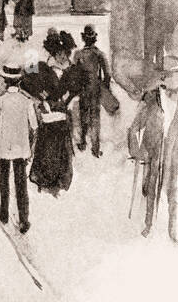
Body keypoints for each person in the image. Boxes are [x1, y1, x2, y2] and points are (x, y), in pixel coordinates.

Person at [128, 56, 178, 242]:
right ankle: (148, 225)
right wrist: (135, 148)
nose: (171, 79)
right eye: (166, 75)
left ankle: (172, 231)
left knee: (173, 191)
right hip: (154, 149)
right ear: (162, 77)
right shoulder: (151, 97)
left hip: (173, 152)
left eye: (174, 75)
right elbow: (136, 125)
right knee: (152, 187)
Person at [0, 63, 40, 234]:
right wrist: (30, 145)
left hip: (3, 147)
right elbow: (35, 126)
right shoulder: (27, 102)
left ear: (5, 82)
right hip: (21, 148)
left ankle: (4, 213)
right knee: (21, 183)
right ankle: (23, 220)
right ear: (19, 81)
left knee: (4, 179)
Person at [23, 29, 77, 196]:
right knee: (47, 146)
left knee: (60, 149)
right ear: (54, 53)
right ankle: (45, 179)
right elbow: (27, 83)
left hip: (62, 115)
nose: (63, 57)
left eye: (65, 54)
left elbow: (73, 91)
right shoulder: (43, 67)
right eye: (59, 54)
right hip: (48, 116)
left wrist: (68, 99)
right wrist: (40, 99)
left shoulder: (70, 70)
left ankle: (59, 180)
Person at [73, 24, 113, 157]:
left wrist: (78, 88)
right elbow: (107, 74)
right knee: (95, 118)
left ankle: (83, 142)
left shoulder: (78, 54)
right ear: (94, 38)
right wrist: (105, 88)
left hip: (83, 89)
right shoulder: (99, 54)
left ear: (83, 38)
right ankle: (95, 148)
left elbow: (75, 74)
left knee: (83, 115)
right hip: (95, 88)